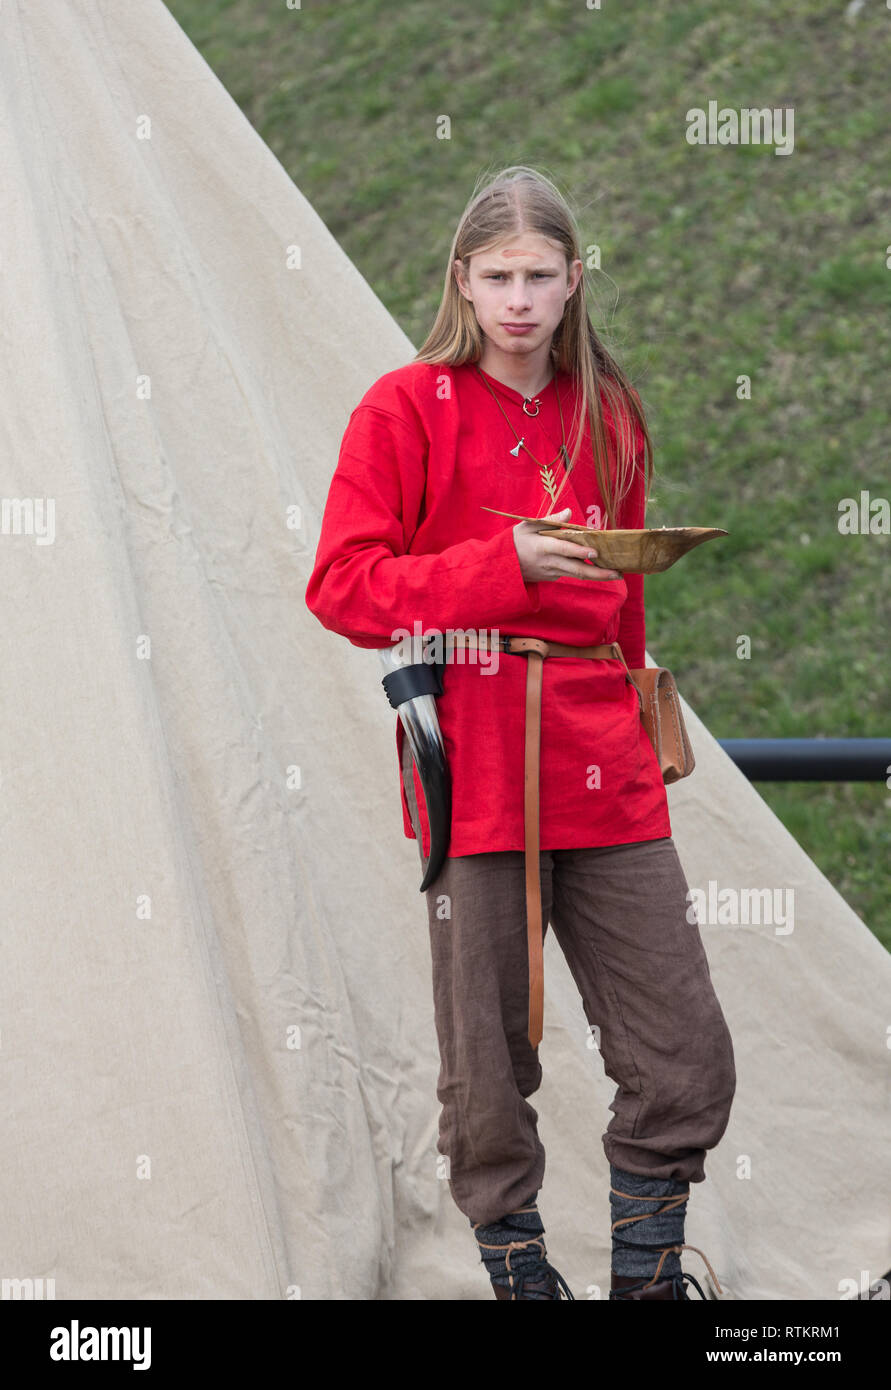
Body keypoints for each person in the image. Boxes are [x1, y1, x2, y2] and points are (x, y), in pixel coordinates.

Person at [305, 164, 736, 1301]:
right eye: (498, 275)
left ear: (573, 278)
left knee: (682, 1042)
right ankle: (520, 1279)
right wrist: (502, 566)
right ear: (462, 278)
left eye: (541, 275)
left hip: (605, 749)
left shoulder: (612, 410)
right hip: (477, 748)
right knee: (487, 1059)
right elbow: (344, 587)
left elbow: (629, 600)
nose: (519, 299)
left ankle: (647, 1284)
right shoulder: (405, 407)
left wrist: (647, 719)